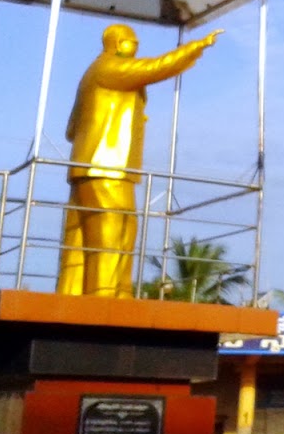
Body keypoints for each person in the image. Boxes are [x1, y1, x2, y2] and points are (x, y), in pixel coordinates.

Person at [56, 22, 222, 298]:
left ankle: (78, 293)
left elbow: (71, 129)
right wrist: (196, 47)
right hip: (107, 168)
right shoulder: (110, 69)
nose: (136, 48)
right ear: (118, 43)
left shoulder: (91, 75)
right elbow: (155, 68)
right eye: (133, 42)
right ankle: (106, 297)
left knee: (85, 236)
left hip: (88, 167)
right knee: (114, 233)